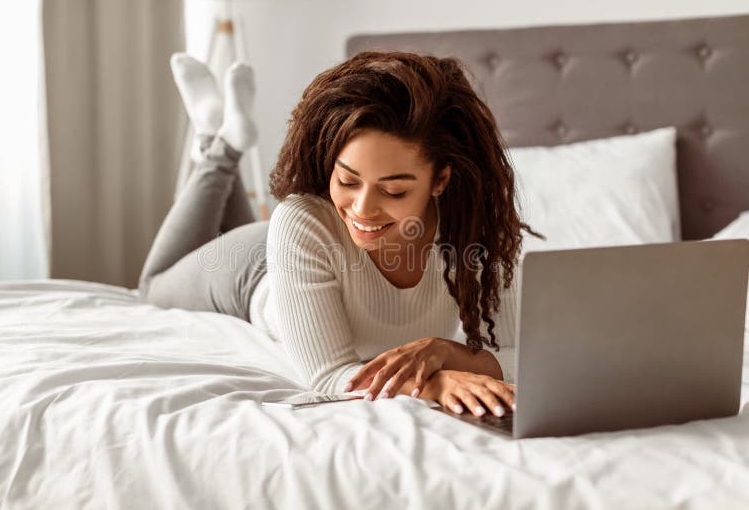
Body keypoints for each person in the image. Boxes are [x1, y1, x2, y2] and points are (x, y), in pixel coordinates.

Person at [139, 51, 542, 419]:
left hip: (305, 250)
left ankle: (219, 134)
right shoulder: (300, 219)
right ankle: (222, 148)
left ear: (440, 180)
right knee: (151, 285)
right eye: (348, 180)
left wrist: (449, 352)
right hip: (251, 272)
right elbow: (329, 376)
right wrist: (434, 381)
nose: (364, 208)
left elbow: (522, 356)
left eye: (394, 190)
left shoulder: (474, 231)